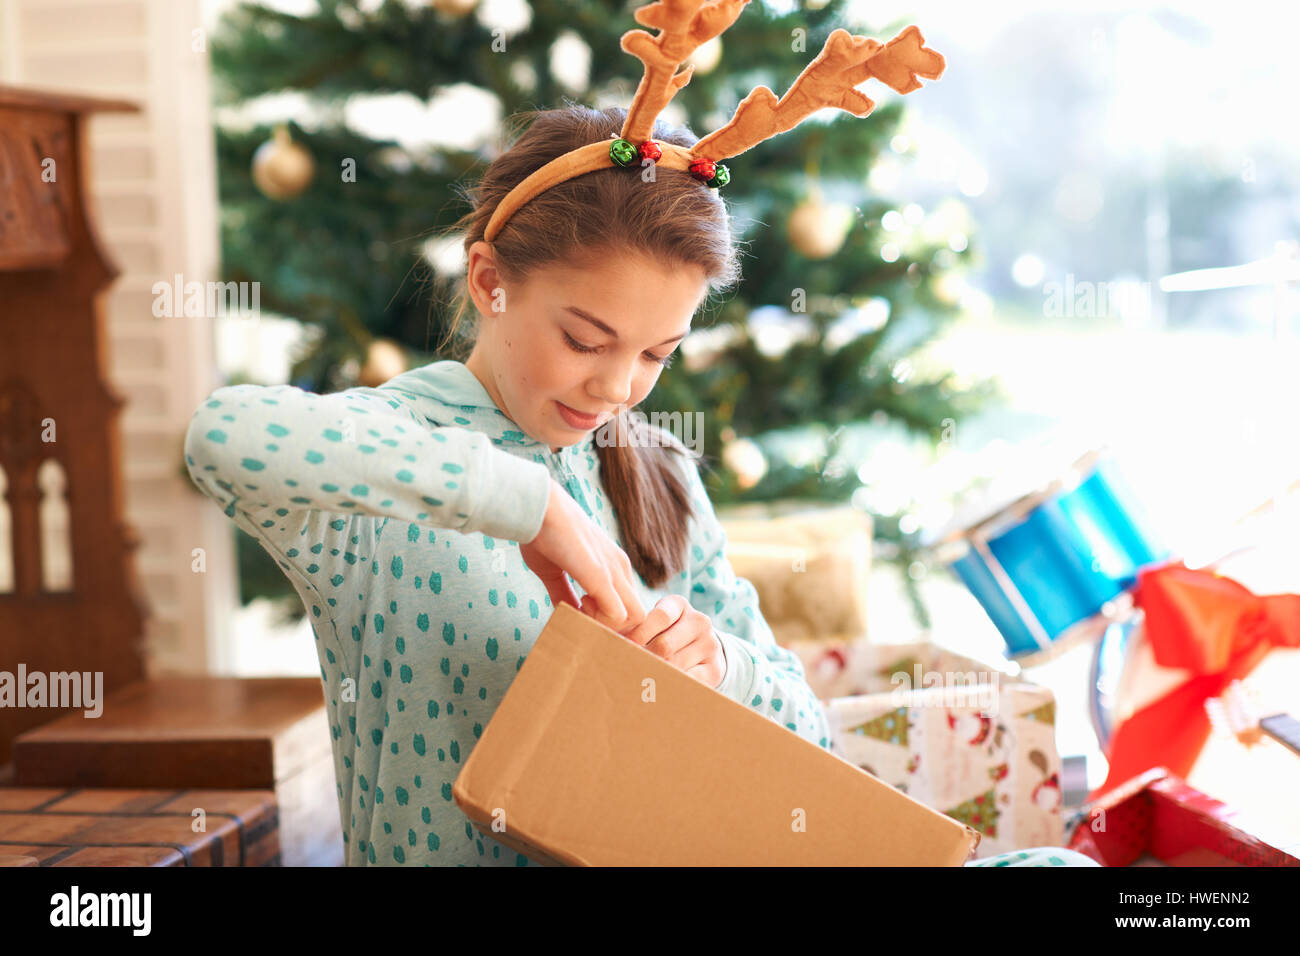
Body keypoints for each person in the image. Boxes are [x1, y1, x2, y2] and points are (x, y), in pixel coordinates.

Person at [185, 103, 1097, 868]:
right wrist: (528, 504)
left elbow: (806, 736)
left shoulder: (653, 471)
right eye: (585, 340)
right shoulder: (392, 464)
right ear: (490, 282)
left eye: (657, 353)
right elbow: (224, 439)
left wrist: (719, 668)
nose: (617, 388)